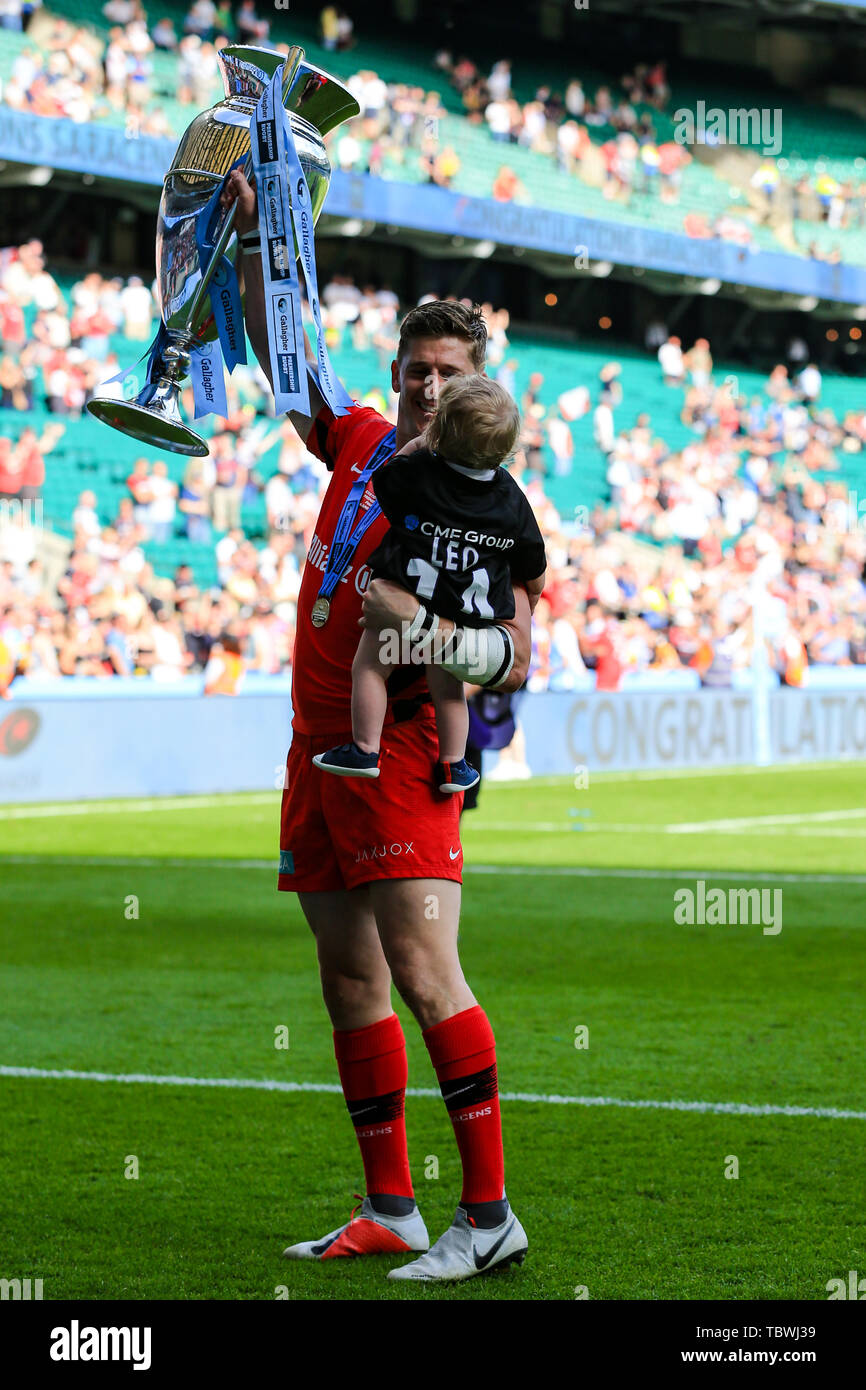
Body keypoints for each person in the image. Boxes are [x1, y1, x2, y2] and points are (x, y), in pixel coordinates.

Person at [221, 166, 533, 1283]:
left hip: (400, 749)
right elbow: (281, 353)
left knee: (423, 970)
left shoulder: (481, 501)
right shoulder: (353, 439)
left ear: (471, 391)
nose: (423, 388)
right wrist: (259, 242)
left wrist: (418, 636)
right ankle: (391, 1206)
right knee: (348, 978)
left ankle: (487, 1213)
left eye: (445, 376)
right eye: (413, 370)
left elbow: (516, 655)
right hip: (316, 748)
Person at [313, 376, 546, 792]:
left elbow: (384, 483)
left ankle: (365, 749)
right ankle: (454, 765)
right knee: (449, 687)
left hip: (402, 602)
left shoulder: (421, 473)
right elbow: (532, 557)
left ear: (440, 432)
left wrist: (419, 445)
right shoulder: (510, 496)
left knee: (369, 668)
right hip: (457, 616)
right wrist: (535, 591)